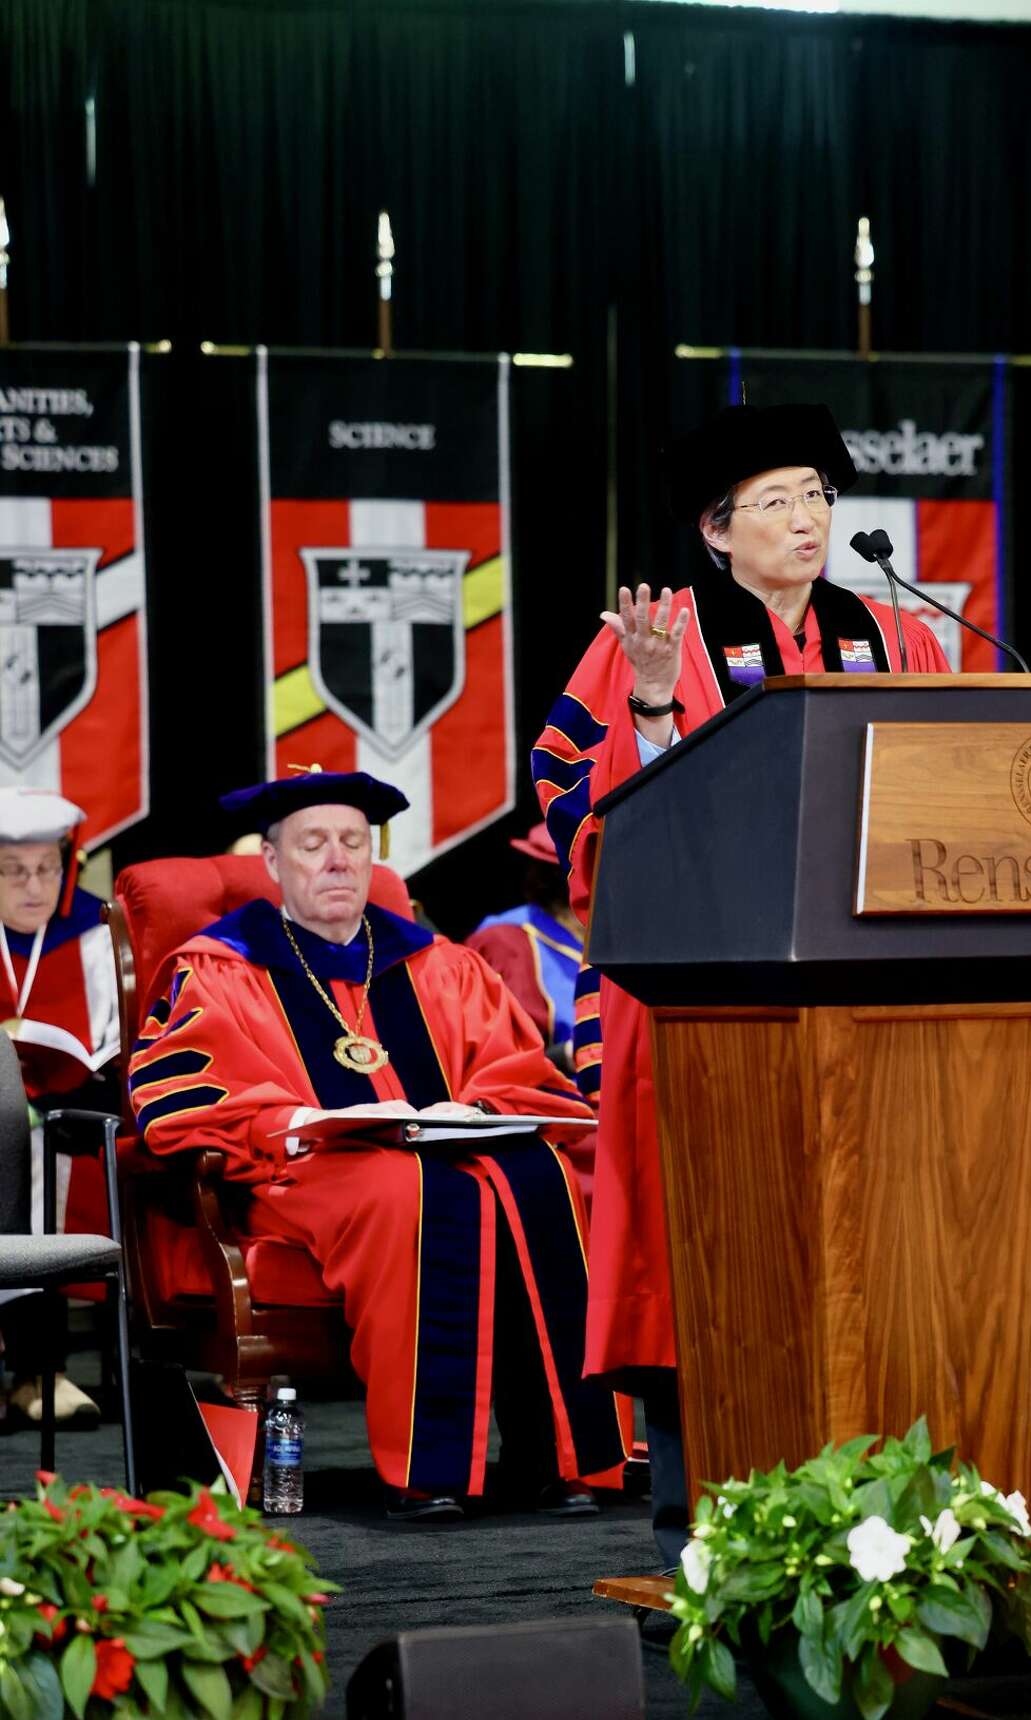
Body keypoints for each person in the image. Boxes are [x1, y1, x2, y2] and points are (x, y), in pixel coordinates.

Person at [532, 402, 951, 1564]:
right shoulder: (650, 638)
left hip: (865, 992)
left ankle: (882, 1508)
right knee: (703, 1242)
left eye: (818, 494)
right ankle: (700, 1519)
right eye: (777, 501)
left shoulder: (892, 631)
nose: (808, 519)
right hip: (699, 996)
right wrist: (657, 702)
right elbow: (593, 810)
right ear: (716, 533)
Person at [129, 768, 628, 1524]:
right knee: (408, 1190)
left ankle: (562, 1459)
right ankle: (428, 1473)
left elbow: (518, 1069)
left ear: (374, 858)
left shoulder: (438, 964)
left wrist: (474, 1107)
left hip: (440, 1152)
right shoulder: (217, 971)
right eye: (314, 843)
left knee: (541, 1173)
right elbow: (187, 1094)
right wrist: (291, 1121)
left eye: (353, 842)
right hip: (305, 1171)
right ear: (272, 862)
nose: (336, 859)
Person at [0, 787, 120, 1428]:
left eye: (47, 868)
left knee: (40, 1154)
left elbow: (112, 1044)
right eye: (14, 870)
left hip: (66, 1119)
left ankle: (39, 1370)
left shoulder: (96, 936)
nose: (34, 885)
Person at [466, 823, 589, 1078]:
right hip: (555, 1101)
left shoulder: (618, 936)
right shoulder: (505, 943)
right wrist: (564, 1054)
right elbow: (498, 1056)